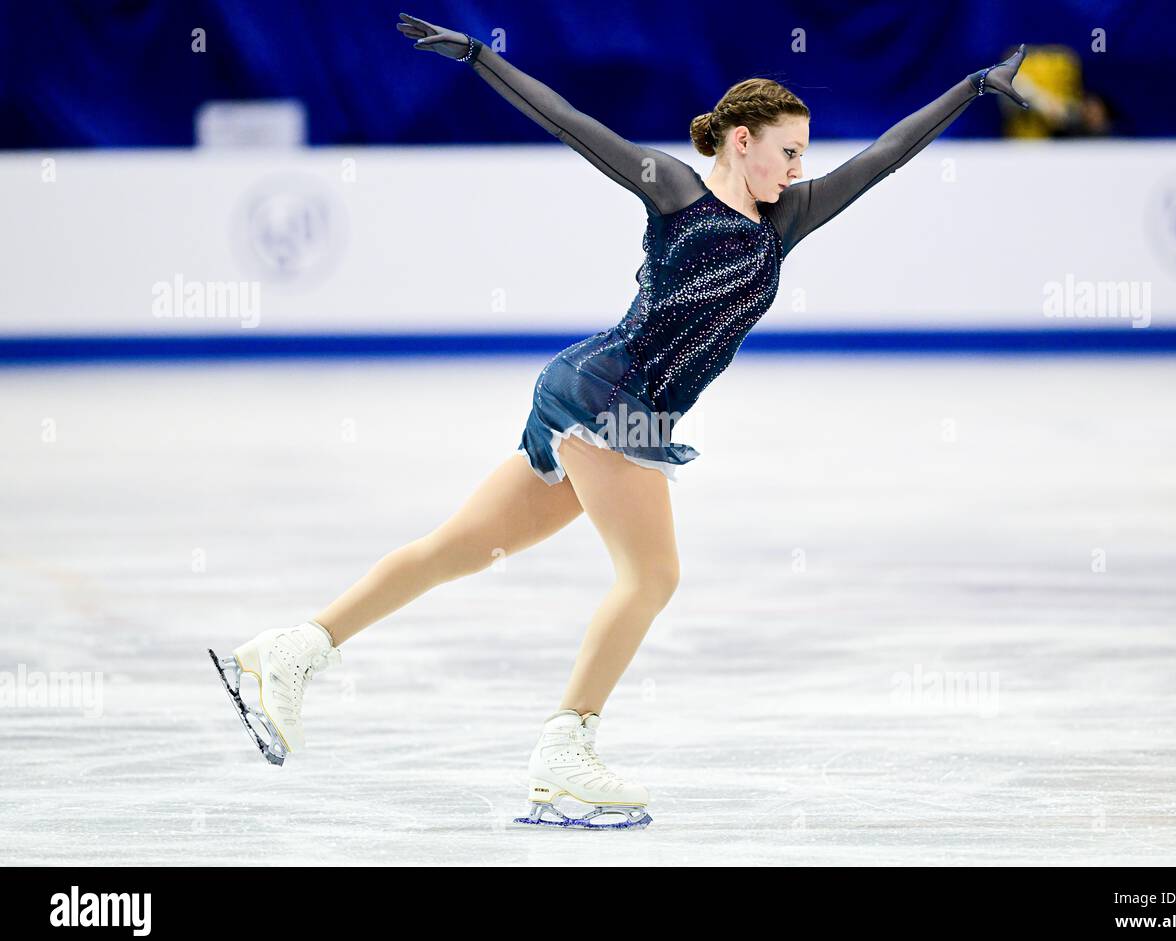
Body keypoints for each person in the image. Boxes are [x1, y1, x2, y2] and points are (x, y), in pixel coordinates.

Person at [209, 13, 1028, 829]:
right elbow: (571, 122)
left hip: (609, 404)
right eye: (786, 151)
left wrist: (971, 87)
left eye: (803, 155)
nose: (796, 168)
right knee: (654, 576)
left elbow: (883, 158)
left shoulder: (789, 220)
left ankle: (295, 649)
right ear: (738, 141)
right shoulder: (673, 188)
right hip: (609, 401)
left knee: (458, 549)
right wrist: (480, 57)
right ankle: (565, 748)